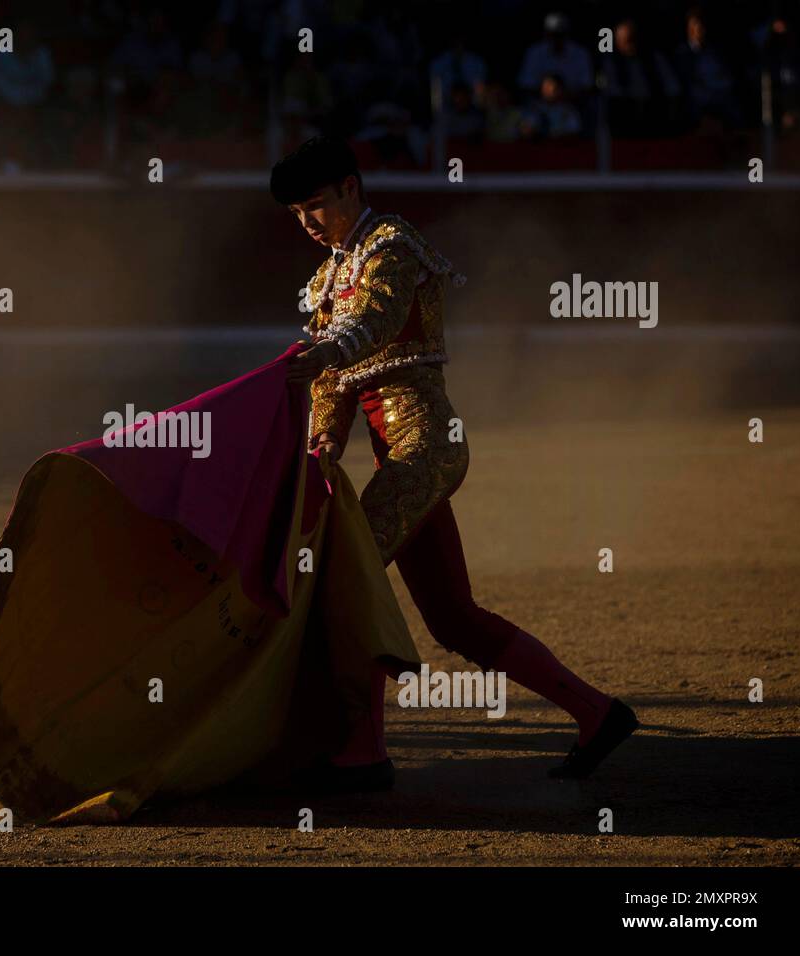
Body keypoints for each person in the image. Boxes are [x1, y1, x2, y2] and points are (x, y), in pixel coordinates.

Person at [273, 136, 638, 791]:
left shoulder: (390, 243)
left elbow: (376, 324)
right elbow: (334, 384)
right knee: (453, 618)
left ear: (351, 188)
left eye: (315, 205)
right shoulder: (329, 277)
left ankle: (363, 755)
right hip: (405, 456)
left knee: (342, 578)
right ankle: (598, 714)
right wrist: (322, 443)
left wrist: (327, 357)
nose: (306, 221)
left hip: (427, 446)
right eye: (296, 212)